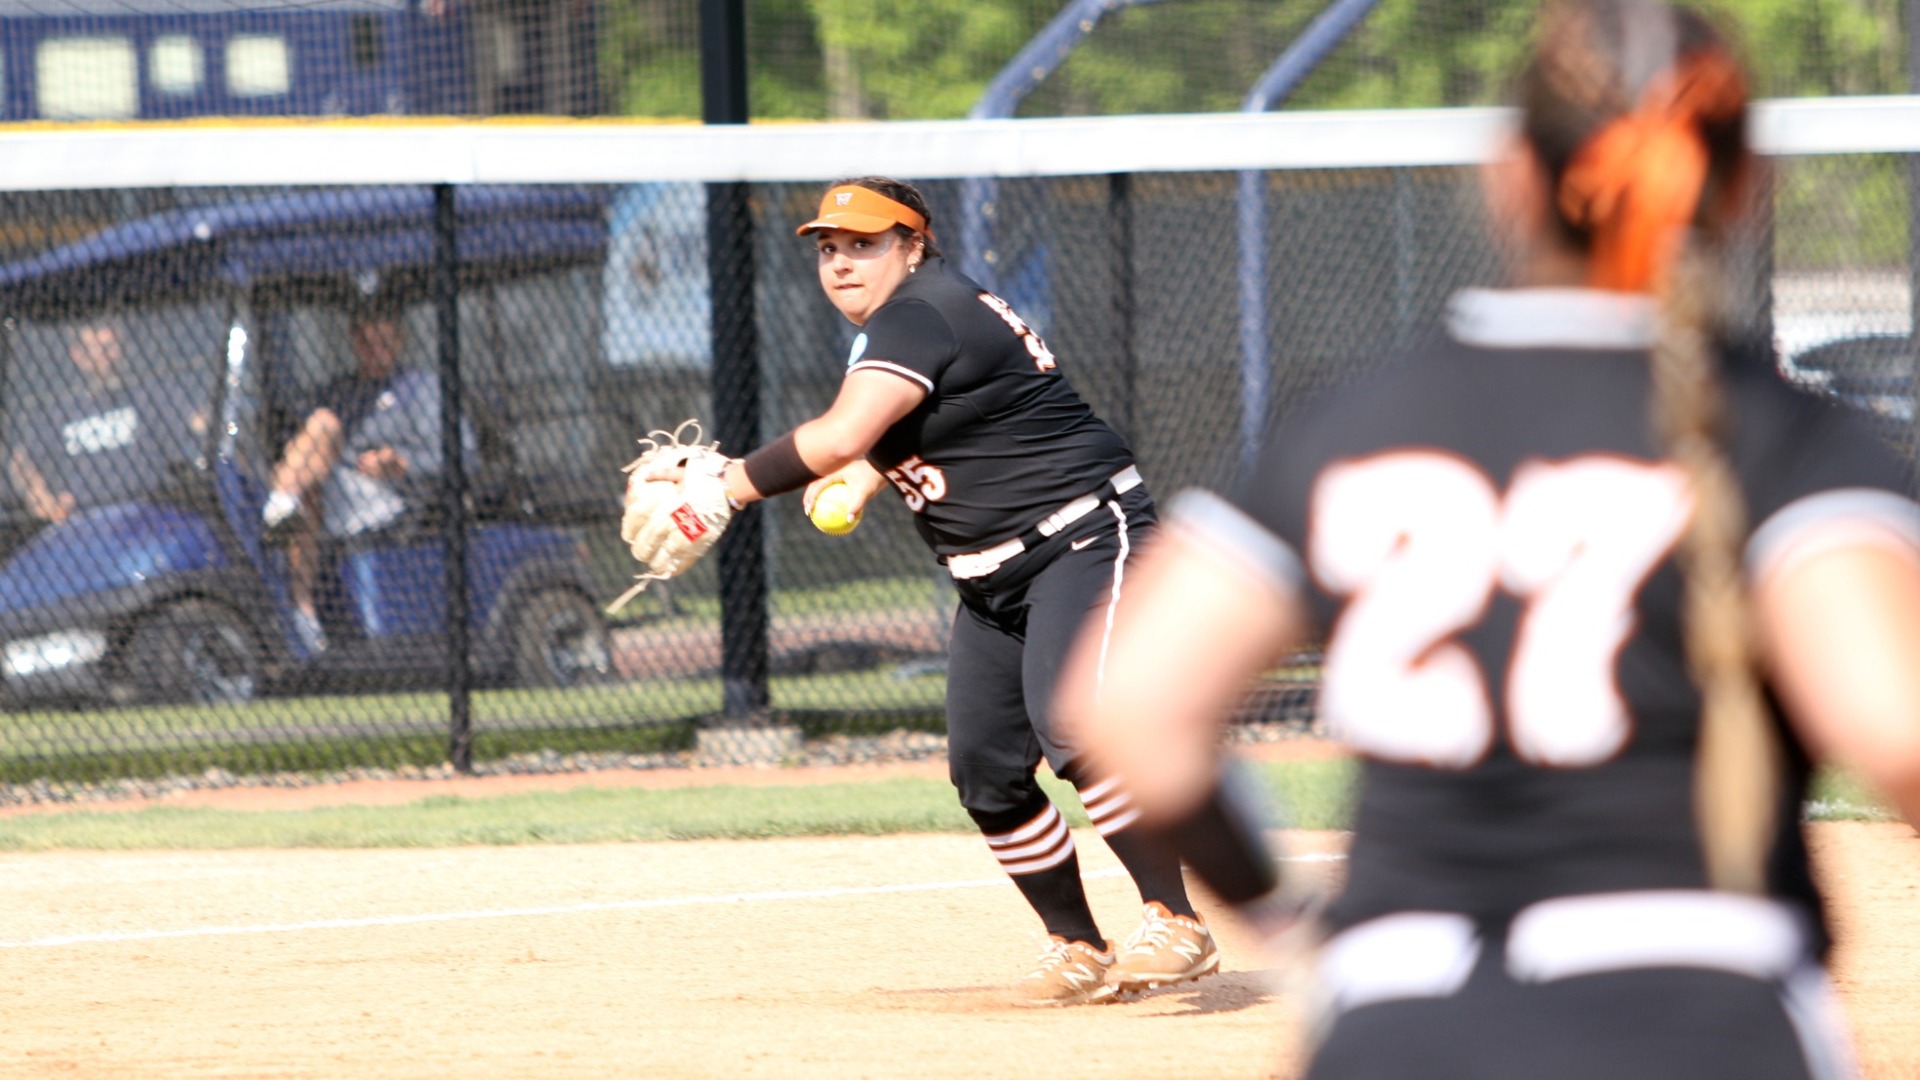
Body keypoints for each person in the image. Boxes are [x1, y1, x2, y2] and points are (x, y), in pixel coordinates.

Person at [1058, 1, 1920, 1076]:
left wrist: (1286, 920)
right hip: (1704, 1010)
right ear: (1746, 186)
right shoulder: (1788, 435)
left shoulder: (1358, 421)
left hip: (1401, 1016)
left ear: (1508, 175)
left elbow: (1130, 709)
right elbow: (1899, 733)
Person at [649, 177, 1217, 1006]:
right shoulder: (901, 324)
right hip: (990, 576)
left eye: (865, 243)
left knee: (1079, 724)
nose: (841, 262)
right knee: (987, 772)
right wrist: (866, 476)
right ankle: (1077, 947)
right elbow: (901, 429)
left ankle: (1177, 921)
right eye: (829, 248)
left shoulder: (923, 311)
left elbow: (844, 431)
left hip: (1085, 538)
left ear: (914, 246)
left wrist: (725, 486)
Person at [261, 311, 453, 652]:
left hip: (396, 498)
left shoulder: (421, 390)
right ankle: (303, 608)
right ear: (354, 343)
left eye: (384, 342)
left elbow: (461, 456)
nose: (375, 352)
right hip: (338, 489)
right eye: (366, 343)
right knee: (308, 462)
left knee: (321, 426)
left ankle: (278, 504)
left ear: (400, 341)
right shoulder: (341, 391)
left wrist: (400, 463)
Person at [8, 323, 203, 524]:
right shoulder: (56, 410)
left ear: (121, 348)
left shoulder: (151, 394)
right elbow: (22, 462)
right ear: (77, 354)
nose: (103, 356)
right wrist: (42, 500)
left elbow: (198, 425)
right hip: (80, 527)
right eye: (94, 349)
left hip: (150, 519)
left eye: (109, 347)